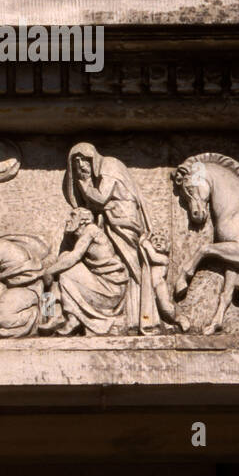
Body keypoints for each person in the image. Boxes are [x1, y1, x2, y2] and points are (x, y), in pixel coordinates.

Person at [64, 142, 180, 334]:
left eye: (84, 162)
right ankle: (132, 315)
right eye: (77, 166)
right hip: (114, 219)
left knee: (134, 265)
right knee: (130, 265)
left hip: (124, 218)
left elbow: (101, 198)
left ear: (92, 158)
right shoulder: (92, 231)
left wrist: (84, 184)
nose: (82, 168)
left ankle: (142, 317)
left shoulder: (109, 166)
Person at [41, 208, 129, 335]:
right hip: (99, 282)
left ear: (84, 221)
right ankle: (50, 315)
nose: (68, 220)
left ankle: (71, 318)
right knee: (61, 262)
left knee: (63, 269)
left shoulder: (91, 230)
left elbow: (75, 257)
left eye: (73, 216)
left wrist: (48, 272)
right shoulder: (77, 236)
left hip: (110, 288)